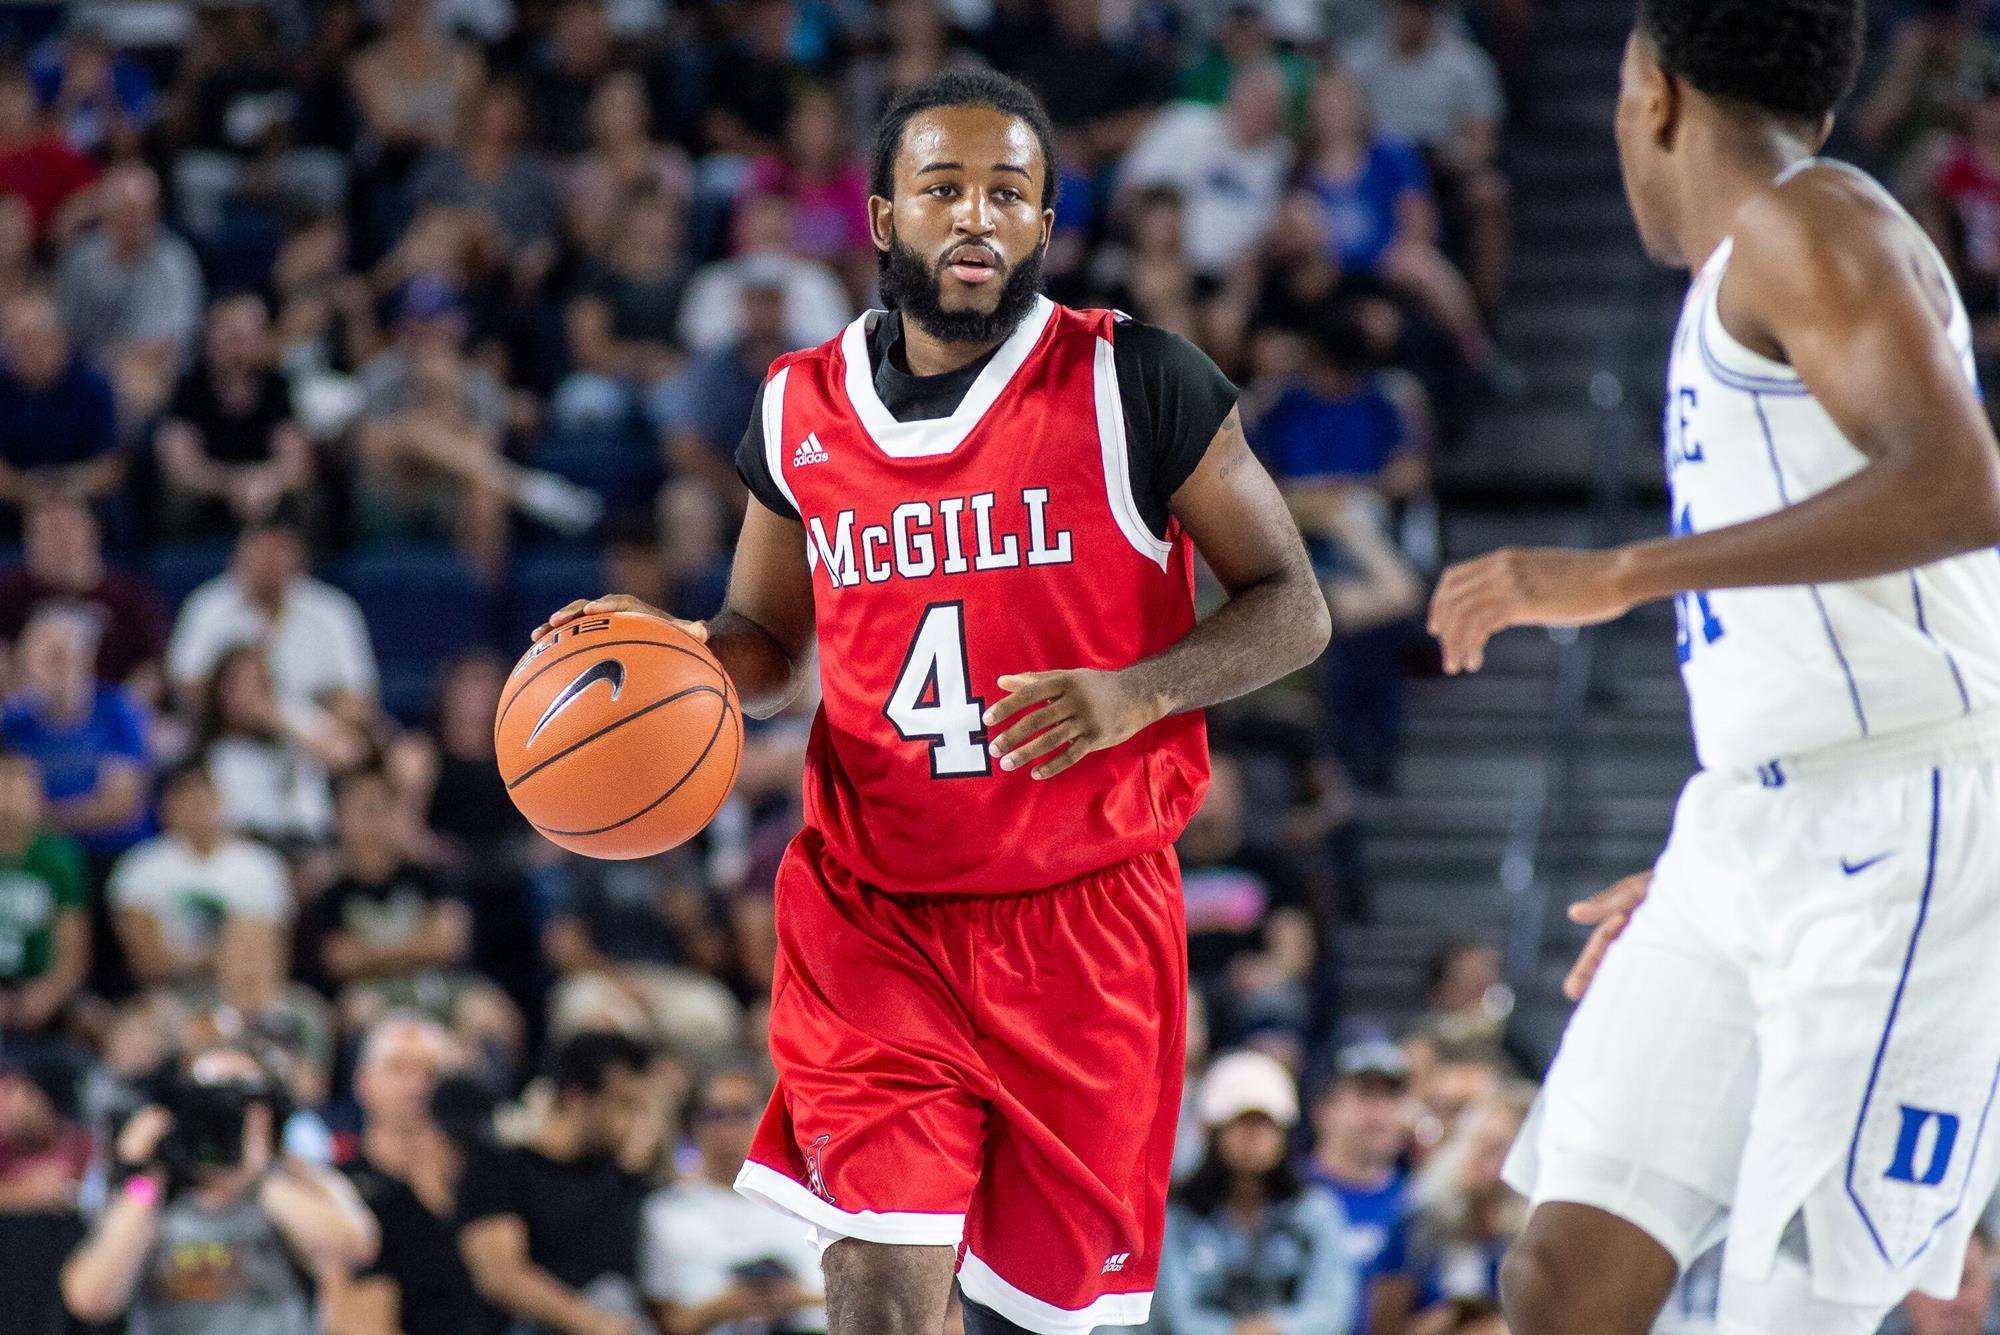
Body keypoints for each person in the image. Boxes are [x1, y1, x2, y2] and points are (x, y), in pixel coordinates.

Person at [537, 66, 1330, 1335]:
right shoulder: (796, 408)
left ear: (1044, 225)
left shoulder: (1136, 384)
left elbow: (1292, 603)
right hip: (875, 913)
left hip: (1085, 924)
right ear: (881, 215)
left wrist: (1137, 692)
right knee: (880, 1292)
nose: (976, 217)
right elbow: (764, 643)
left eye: (1008, 193)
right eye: (944, 187)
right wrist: (673, 648)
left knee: (1039, 1323)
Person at [1424, 2, 2000, 1331]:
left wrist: (1616, 572)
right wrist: (1740, 823)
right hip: (1760, 821)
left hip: (1910, 825)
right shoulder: (1755, 261)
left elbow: (1961, 483)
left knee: (1788, 1310)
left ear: (1653, 94)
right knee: (1564, 1274)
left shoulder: (1813, 222)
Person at [59, 1044, 378, 1332]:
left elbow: (354, 1248)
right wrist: (145, 1177)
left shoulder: (299, 1177)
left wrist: (258, 1178)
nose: (224, 1115)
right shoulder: (146, 1191)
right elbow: (90, 1301)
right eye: (209, 1101)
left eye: (241, 1101)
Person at [302, 766, 521, 1066]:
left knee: (492, 1012)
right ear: (340, 819)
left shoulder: (428, 875)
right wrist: (420, 947)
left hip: (441, 984)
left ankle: (478, 1100)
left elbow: (449, 942)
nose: (374, 820)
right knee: (359, 1010)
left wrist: (374, 955)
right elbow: (340, 960)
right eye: (365, 810)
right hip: (376, 991)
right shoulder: (331, 892)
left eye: (382, 808)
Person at [457, 1029, 663, 1335]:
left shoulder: (616, 1176)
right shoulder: (499, 1167)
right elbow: (500, 1277)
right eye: (623, 1104)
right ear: (575, 1098)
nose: (634, 1121)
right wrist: (596, 1324)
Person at [1152, 1048, 1358, 1334]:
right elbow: (1174, 1315)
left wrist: (1275, 1329)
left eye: (1265, 1124)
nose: (1253, 1137)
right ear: (1212, 1131)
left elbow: (1330, 1310)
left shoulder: (1315, 1211)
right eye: (1240, 1122)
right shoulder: (1179, 1216)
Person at [326, 1014, 494, 1335]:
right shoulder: (339, 1190)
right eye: (398, 1069)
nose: (416, 1087)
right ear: (363, 1082)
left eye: (431, 1073)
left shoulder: (486, 1182)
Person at [641, 1065, 826, 1334]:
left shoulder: (807, 1202)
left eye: (741, 1114)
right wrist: (725, 1306)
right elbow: (662, 1321)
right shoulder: (665, 1212)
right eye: (715, 1116)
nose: (728, 1130)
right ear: (693, 1124)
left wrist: (794, 1299)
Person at [166, 511, 380, 726]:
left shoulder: (333, 610)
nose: (269, 559)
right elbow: (186, 687)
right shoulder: (206, 606)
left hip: (316, 744)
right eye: (259, 547)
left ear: (300, 556)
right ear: (238, 553)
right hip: (224, 741)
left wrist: (286, 717)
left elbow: (360, 700)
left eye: (280, 548)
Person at [108, 760, 291, 994]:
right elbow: (148, 963)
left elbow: (272, 956)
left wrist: (192, 960)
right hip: (170, 995)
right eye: (185, 797)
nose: (197, 806)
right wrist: (227, 956)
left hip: (248, 993)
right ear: (165, 806)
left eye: (204, 796)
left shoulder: (261, 865)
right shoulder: (140, 868)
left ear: (221, 799)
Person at [155, 292, 317, 540]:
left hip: (264, 491)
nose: (238, 347)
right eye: (230, 336)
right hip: (211, 491)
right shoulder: (190, 387)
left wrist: (266, 481)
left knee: (308, 499)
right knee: (177, 500)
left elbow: (296, 464)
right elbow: (181, 466)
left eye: (247, 336)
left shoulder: (277, 386)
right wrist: (235, 485)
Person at [52, 162, 205, 424]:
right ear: (105, 213)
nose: (134, 219)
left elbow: (160, 346)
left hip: (148, 370)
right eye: (124, 211)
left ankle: (115, 462)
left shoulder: (175, 262)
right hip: (84, 367)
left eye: (142, 211)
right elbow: (61, 327)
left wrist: (96, 365)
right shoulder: (81, 258)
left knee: (134, 384)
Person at [1, 608, 152, 863]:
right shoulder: (13, 724)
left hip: (112, 852)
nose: (55, 670)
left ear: (86, 659)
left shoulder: (119, 712)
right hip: (40, 857)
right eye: (43, 659)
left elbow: (120, 806)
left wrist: (41, 818)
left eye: (62, 657)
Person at [0, 497, 171, 702]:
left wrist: (114, 715)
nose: (57, 542)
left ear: (92, 531)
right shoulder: (8, 593)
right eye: (45, 532)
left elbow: (150, 668)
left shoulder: (131, 596)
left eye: (65, 530)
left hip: (111, 716)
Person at [1308, 1041, 1421, 1335]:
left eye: (1391, 1097)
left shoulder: (1416, 1204)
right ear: (1323, 1111)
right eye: (1365, 1096)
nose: (1380, 1113)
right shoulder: (1293, 1196)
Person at [0, 291, 121, 519]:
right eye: (21, 342)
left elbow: (110, 466)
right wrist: (23, 490)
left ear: (61, 340)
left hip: (80, 494)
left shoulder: (93, 384)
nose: (33, 351)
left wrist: (67, 485)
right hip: (14, 499)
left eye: (40, 340)